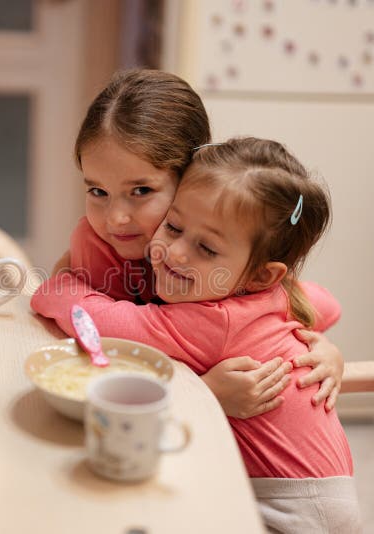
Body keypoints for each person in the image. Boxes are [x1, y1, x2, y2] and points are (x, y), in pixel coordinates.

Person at [32, 137, 361, 532]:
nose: (176, 252)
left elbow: (103, 323)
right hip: (322, 493)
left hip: (291, 508)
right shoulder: (271, 294)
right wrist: (326, 345)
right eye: (173, 226)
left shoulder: (213, 321)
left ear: (260, 275)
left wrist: (59, 286)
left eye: (206, 248)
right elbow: (328, 306)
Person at [54, 69, 344, 417]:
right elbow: (80, 363)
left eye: (141, 191)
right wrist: (202, 391)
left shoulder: (220, 249)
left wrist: (324, 349)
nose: (115, 218)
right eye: (97, 191)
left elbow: (315, 306)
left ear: (192, 179)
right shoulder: (95, 253)